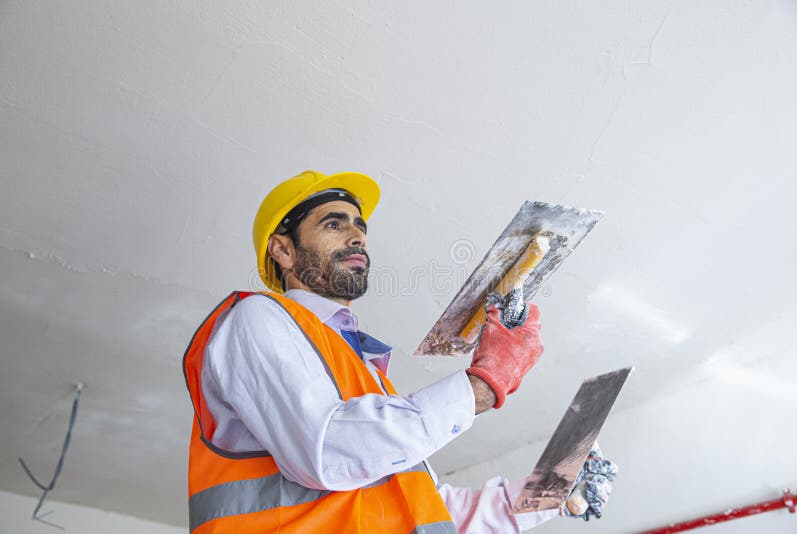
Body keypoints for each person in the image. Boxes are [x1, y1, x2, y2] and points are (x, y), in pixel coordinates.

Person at [182, 170, 617, 533]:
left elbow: (430, 511)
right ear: (283, 249)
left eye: (360, 227)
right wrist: (485, 385)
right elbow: (329, 451)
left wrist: (548, 493)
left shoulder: (356, 369)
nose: (357, 237)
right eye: (334, 224)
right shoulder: (257, 318)